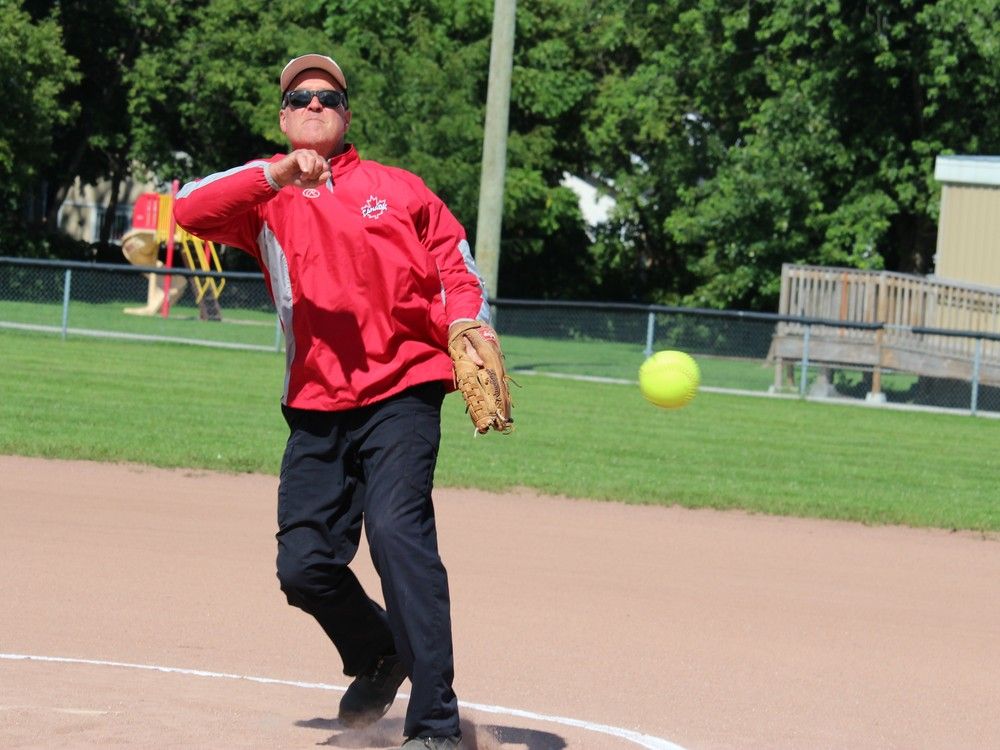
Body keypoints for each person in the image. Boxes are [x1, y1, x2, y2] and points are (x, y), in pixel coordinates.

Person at [174, 53, 497, 750]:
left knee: (397, 535)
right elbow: (187, 208)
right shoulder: (264, 196)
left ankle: (435, 727)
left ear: (346, 114)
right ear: (283, 118)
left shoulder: (398, 189)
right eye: (300, 97)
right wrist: (278, 173)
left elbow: (455, 264)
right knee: (304, 566)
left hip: (404, 389)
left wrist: (468, 323)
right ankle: (380, 652)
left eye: (328, 96)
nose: (315, 104)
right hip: (316, 403)